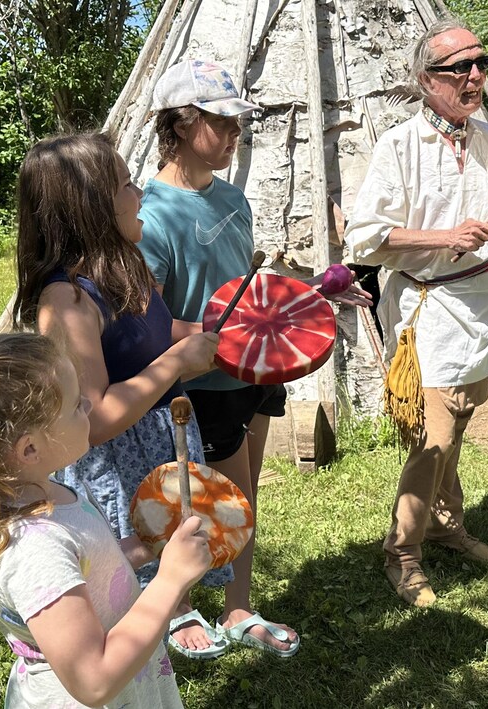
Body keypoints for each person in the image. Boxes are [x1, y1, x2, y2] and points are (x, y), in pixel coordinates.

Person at [138, 58, 370, 655]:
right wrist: (231, 342)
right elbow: (148, 321)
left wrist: (311, 297)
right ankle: (180, 609)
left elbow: (248, 296)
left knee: (243, 499)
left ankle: (239, 607)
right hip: (198, 387)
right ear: (185, 124)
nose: (236, 133)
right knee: (193, 504)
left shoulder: (235, 199)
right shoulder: (150, 216)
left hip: (254, 376)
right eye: (224, 122)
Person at [0, 333, 211, 708]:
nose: (89, 405)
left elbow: (86, 567)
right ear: (29, 448)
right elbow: (93, 680)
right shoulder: (33, 548)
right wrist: (170, 581)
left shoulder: (50, 493)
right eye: (75, 405)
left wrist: (143, 549)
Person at [12, 132, 231, 659]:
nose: (141, 195)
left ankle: (166, 616)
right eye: (128, 185)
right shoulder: (65, 300)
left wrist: (202, 332)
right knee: (120, 584)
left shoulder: (124, 267)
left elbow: (150, 334)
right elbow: (97, 416)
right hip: (117, 461)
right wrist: (177, 363)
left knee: (168, 552)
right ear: (92, 208)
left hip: (162, 438)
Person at [344, 19, 488, 607]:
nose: (475, 77)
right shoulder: (400, 146)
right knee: (432, 439)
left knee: (461, 421)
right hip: (429, 307)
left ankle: (446, 523)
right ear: (427, 81)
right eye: (459, 68)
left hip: (481, 301)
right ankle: (402, 551)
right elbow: (365, 240)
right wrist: (443, 236)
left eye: (481, 63)